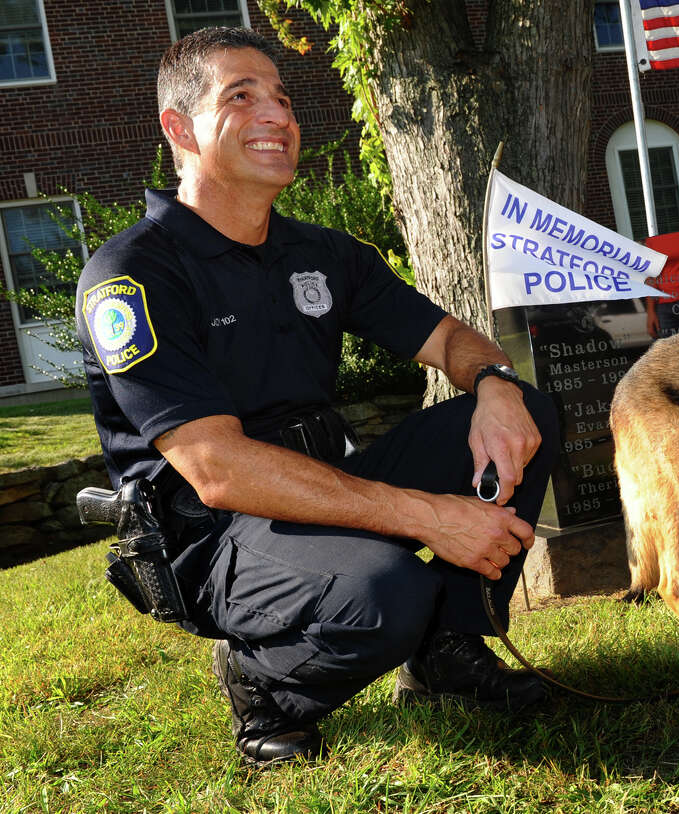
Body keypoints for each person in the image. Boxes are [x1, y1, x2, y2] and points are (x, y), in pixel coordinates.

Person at [74, 27, 559, 767]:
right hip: (213, 532)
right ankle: (263, 684)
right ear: (179, 129)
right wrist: (430, 518)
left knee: (529, 413)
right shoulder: (132, 275)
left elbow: (449, 340)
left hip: (325, 483)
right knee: (389, 592)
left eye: (282, 97)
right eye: (241, 97)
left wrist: (495, 384)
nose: (277, 114)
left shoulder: (323, 254)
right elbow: (218, 470)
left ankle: (447, 652)